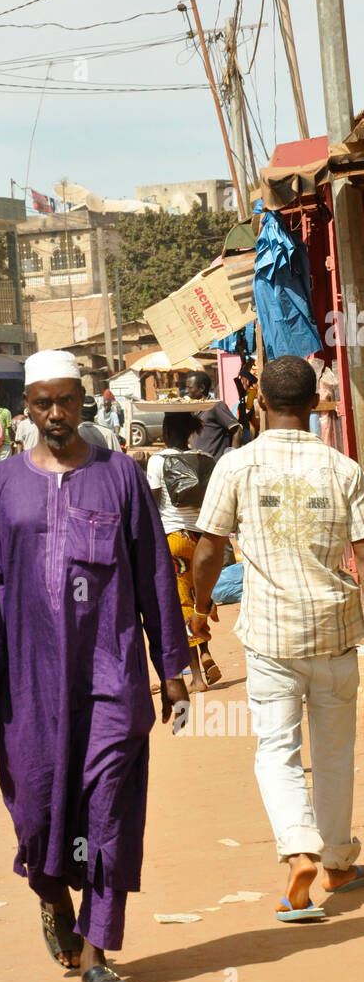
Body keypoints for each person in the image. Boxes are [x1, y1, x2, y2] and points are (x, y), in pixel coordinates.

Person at [0, 350, 190, 982]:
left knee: (107, 809)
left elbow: (154, 576)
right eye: (42, 403)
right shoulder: (1, 486)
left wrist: (170, 669)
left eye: (66, 401)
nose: (55, 415)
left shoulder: (118, 477)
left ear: (83, 402)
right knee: (35, 807)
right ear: (25, 408)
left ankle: (96, 951)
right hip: (27, 683)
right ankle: (51, 891)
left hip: (109, 674)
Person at [191, 355, 364, 923]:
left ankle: (300, 852)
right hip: (337, 632)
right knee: (336, 753)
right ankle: (338, 861)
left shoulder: (236, 466)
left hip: (272, 638)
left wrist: (200, 607)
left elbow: (210, 547)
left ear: (259, 402)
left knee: (276, 751)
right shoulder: (344, 470)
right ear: (316, 405)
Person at [146, 412, 221, 692]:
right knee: (198, 598)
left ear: (165, 429)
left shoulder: (157, 461)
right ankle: (205, 653)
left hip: (173, 539)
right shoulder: (205, 458)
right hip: (202, 539)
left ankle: (197, 678)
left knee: (181, 607)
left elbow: (152, 505)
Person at [184, 370, 242, 461]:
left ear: (202, 388)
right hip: (200, 465)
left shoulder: (216, 406)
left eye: (190, 387)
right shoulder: (193, 409)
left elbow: (237, 430)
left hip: (216, 465)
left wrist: (232, 459)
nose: (186, 391)